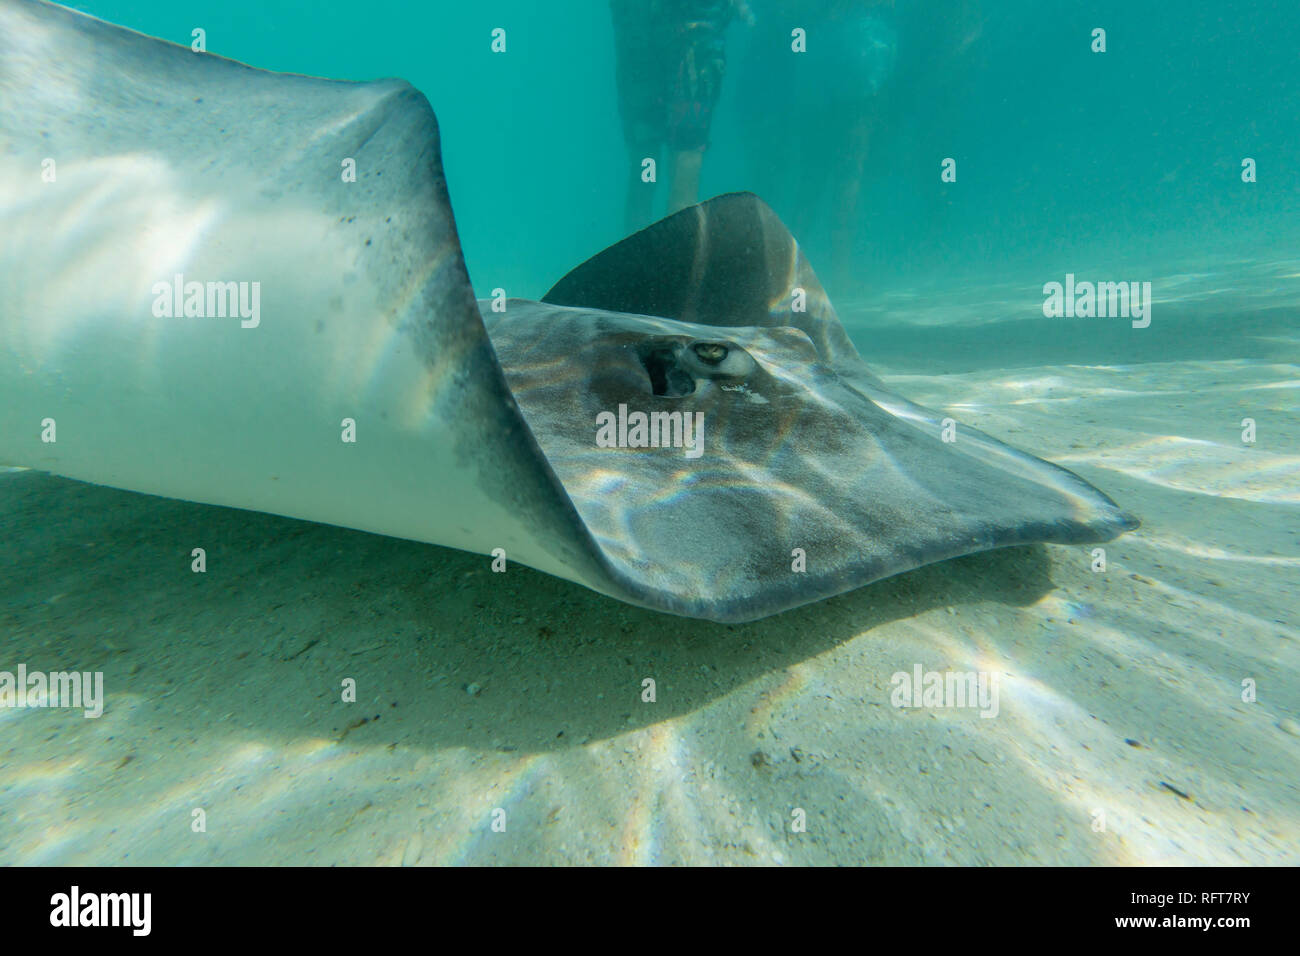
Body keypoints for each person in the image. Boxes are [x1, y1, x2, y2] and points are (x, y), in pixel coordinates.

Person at [610, 0, 752, 231]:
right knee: (681, 160)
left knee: (648, 166)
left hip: (643, 26)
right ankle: (668, 260)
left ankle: (639, 260)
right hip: (692, 27)